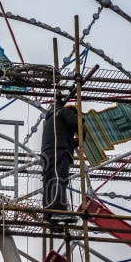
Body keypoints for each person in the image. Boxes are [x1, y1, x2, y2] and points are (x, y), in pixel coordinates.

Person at [40, 95, 84, 223]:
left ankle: (48, 212)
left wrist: (72, 142)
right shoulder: (65, 112)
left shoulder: (50, 118)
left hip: (47, 152)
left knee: (49, 181)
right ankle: (59, 210)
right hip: (59, 150)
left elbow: (60, 134)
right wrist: (82, 130)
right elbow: (76, 124)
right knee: (60, 179)